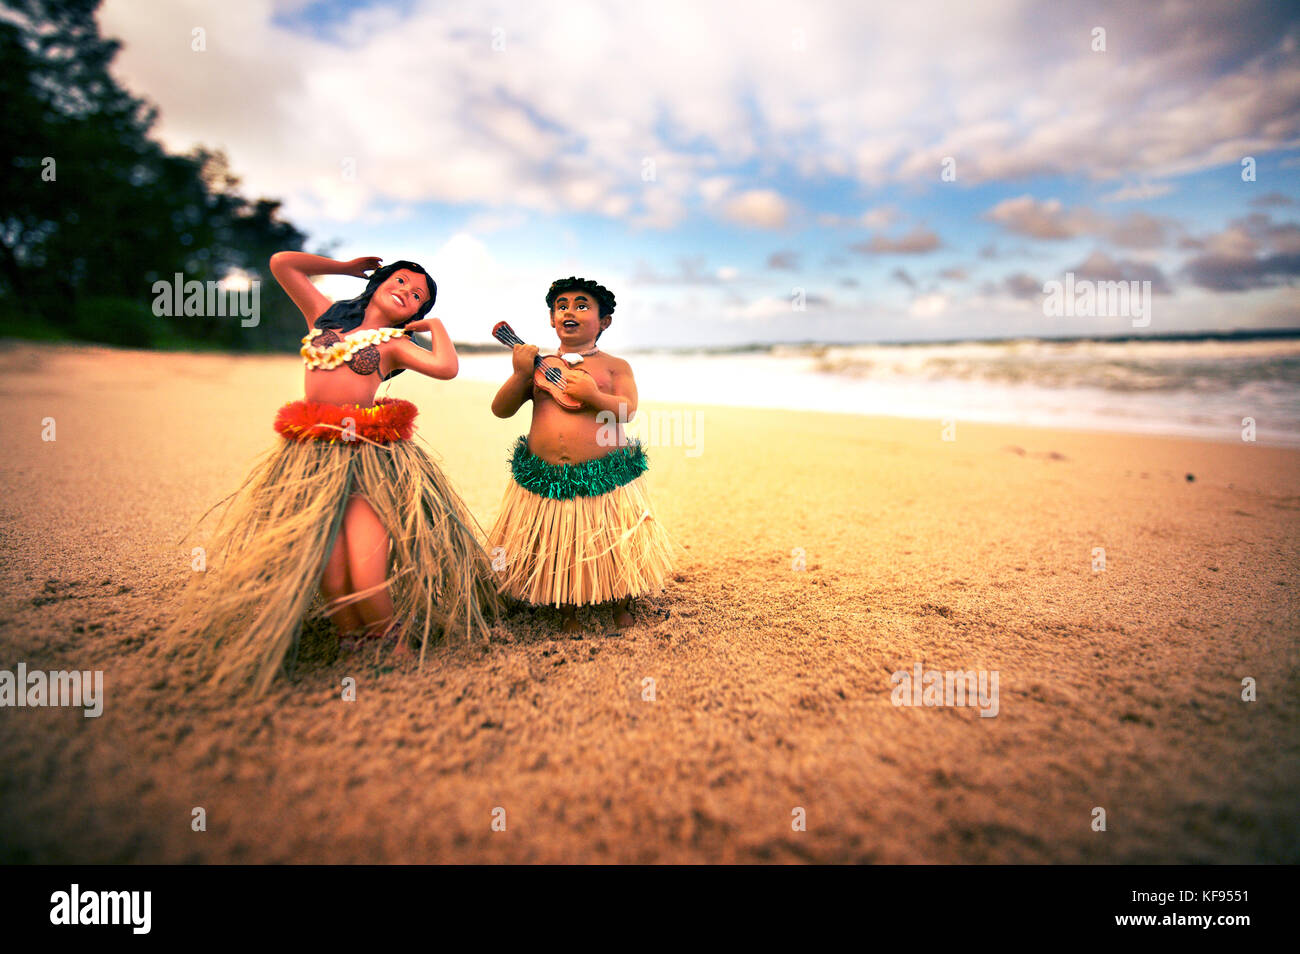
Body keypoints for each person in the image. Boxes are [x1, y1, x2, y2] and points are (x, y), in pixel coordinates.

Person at [168, 252, 499, 694]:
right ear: (379, 282)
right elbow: (282, 264)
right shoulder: (324, 316)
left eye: (418, 296)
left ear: (417, 311)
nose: (407, 291)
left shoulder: (395, 344)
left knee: (365, 571)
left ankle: (392, 643)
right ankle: (352, 641)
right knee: (331, 570)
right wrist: (344, 268)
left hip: (367, 457)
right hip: (311, 457)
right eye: (400, 281)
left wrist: (434, 327)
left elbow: (446, 367)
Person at [488, 276, 674, 631]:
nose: (569, 311)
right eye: (562, 306)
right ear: (551, 317)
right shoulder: (540, 366)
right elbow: (501, 409)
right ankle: (565, 608)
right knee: (560, 546)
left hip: (605, 478)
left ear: (604, 321)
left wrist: (594, 396)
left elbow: (626, 410)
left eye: (582, 305)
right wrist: (518, 375)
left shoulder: (614, 366)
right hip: (549, 478)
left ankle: (621, 600)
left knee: (614, 543)